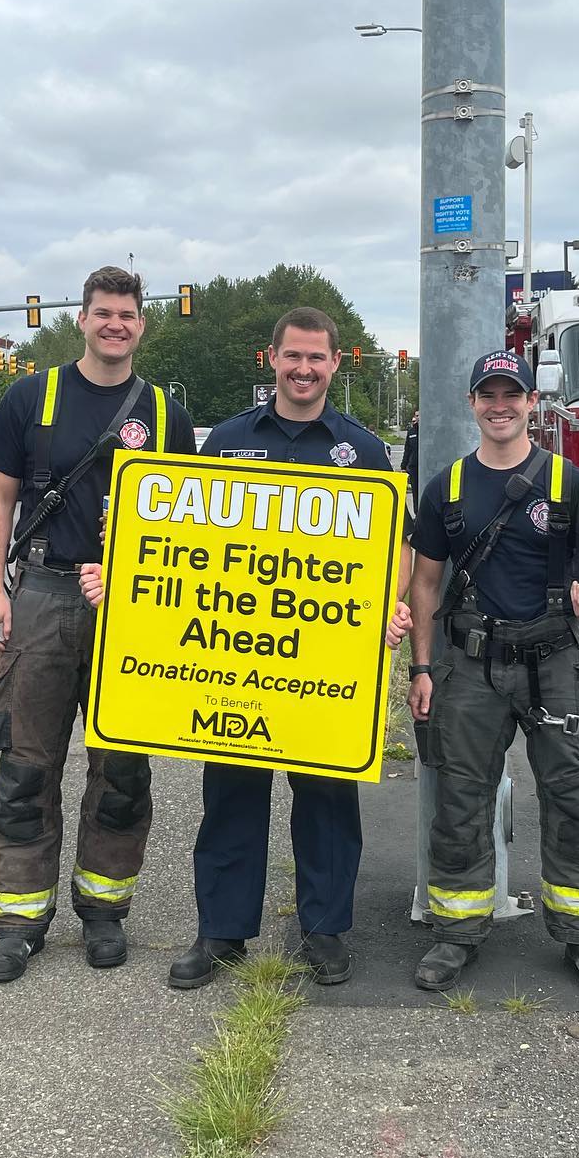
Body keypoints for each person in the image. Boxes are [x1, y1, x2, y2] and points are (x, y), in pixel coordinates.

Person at [81, 307, 409, 989]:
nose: (304, 368)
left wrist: (388, 610)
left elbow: (394, 544)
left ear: (336, 364)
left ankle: (324, 932)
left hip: (322, 664)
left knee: (327, 801)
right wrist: (124, 580)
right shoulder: (227, 442)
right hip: (235, 665)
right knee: (230, 798)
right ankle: (221, 934)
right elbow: (178, 542)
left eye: (317, 358)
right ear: (272, 359)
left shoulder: (363, 449)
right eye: (293, 356)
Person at [0, 266, 196, 984]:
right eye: (103, 313)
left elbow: (186, 521)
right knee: (24, 768)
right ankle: (18, 922)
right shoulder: (30, 398)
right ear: (83, 319)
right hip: (40, 593)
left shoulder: (165, 414)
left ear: (141, 324)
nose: (115, 325)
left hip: (131, 610)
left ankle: (104, 912)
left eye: (127, 315)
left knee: (123, 771)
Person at [390, 350, 579, 997]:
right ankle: (457, 932)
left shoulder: (570, 482)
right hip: (469, 665)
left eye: (512, 394)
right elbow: (425, 580)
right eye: (487, 395)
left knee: (575, 799)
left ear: (532, 403)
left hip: (554, 662)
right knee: (460, 800)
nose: (500, 406)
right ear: (471, 403)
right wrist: (421, 666)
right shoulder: (446, 486)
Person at [400, 410, 419, 509]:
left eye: (419, 416)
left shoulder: (428, 431)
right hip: (414, 467)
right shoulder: (411, 432)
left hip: (426, 468)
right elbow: (407, 450)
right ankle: (417, 513)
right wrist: (403, 466)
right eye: (416, 416)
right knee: (415, 492)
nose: (417, 418)